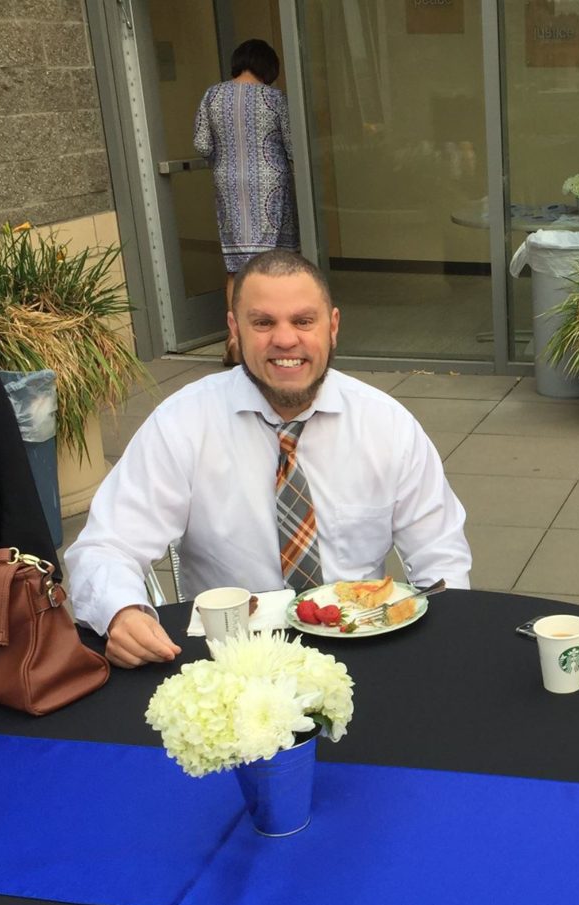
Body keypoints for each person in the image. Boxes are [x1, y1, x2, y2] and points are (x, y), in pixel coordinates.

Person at [66, 249, 472, 669]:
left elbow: (440, 556)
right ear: (234, 330)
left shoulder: (386, 425)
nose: (285, 339)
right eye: (263, 323)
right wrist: (121, 611)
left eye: (303, 321)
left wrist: (445, 642)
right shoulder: (182, 423)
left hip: (361, 646)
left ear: (332, 327)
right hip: (228, 660)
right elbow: (107, 545)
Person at [194, 39, 299, 366]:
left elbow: (200, 145)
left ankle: (237, 341)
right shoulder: (275, 98)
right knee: (273, 263)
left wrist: (226, 156)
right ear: (269, 67)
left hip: (228, 185)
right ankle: (273, 336)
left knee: (236, 266)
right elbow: (293, 146)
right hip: (271, 183)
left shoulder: (213, 94)